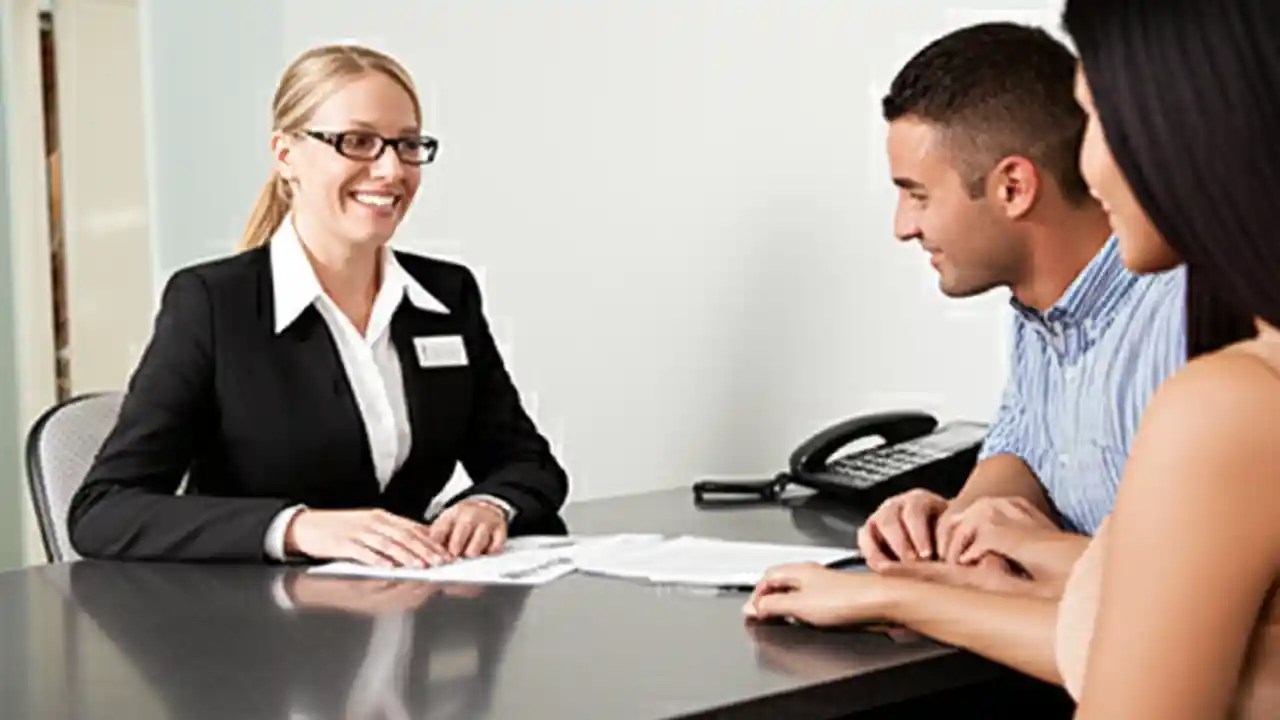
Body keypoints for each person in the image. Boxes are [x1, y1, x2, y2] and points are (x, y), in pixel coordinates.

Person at [748, 3, 1280, 716]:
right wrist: (954, 560)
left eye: (1097, 123)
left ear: (1184, 133)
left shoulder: (1224, 396)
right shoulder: (1055, 321)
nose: (1084, 163)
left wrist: (905, 593)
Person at [67, 44, 568, 565]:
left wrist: (490, 504)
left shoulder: (445, 295)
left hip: (414, 614)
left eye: (407, 144)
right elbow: (105, 510)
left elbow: (526, 462)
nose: (392, 169)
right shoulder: (214, 305)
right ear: (286, 155)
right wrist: (297, 528)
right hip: (257, 628)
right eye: (358, 142)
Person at [858, 22, 1185, 592]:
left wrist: (891, 596)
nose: (903, 227)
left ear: (1013, 187)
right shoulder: (1040, 315)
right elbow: (1027, 451)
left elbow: (1181, 598)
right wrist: (950, 522)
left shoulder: (1186, 321)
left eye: (917, 195)